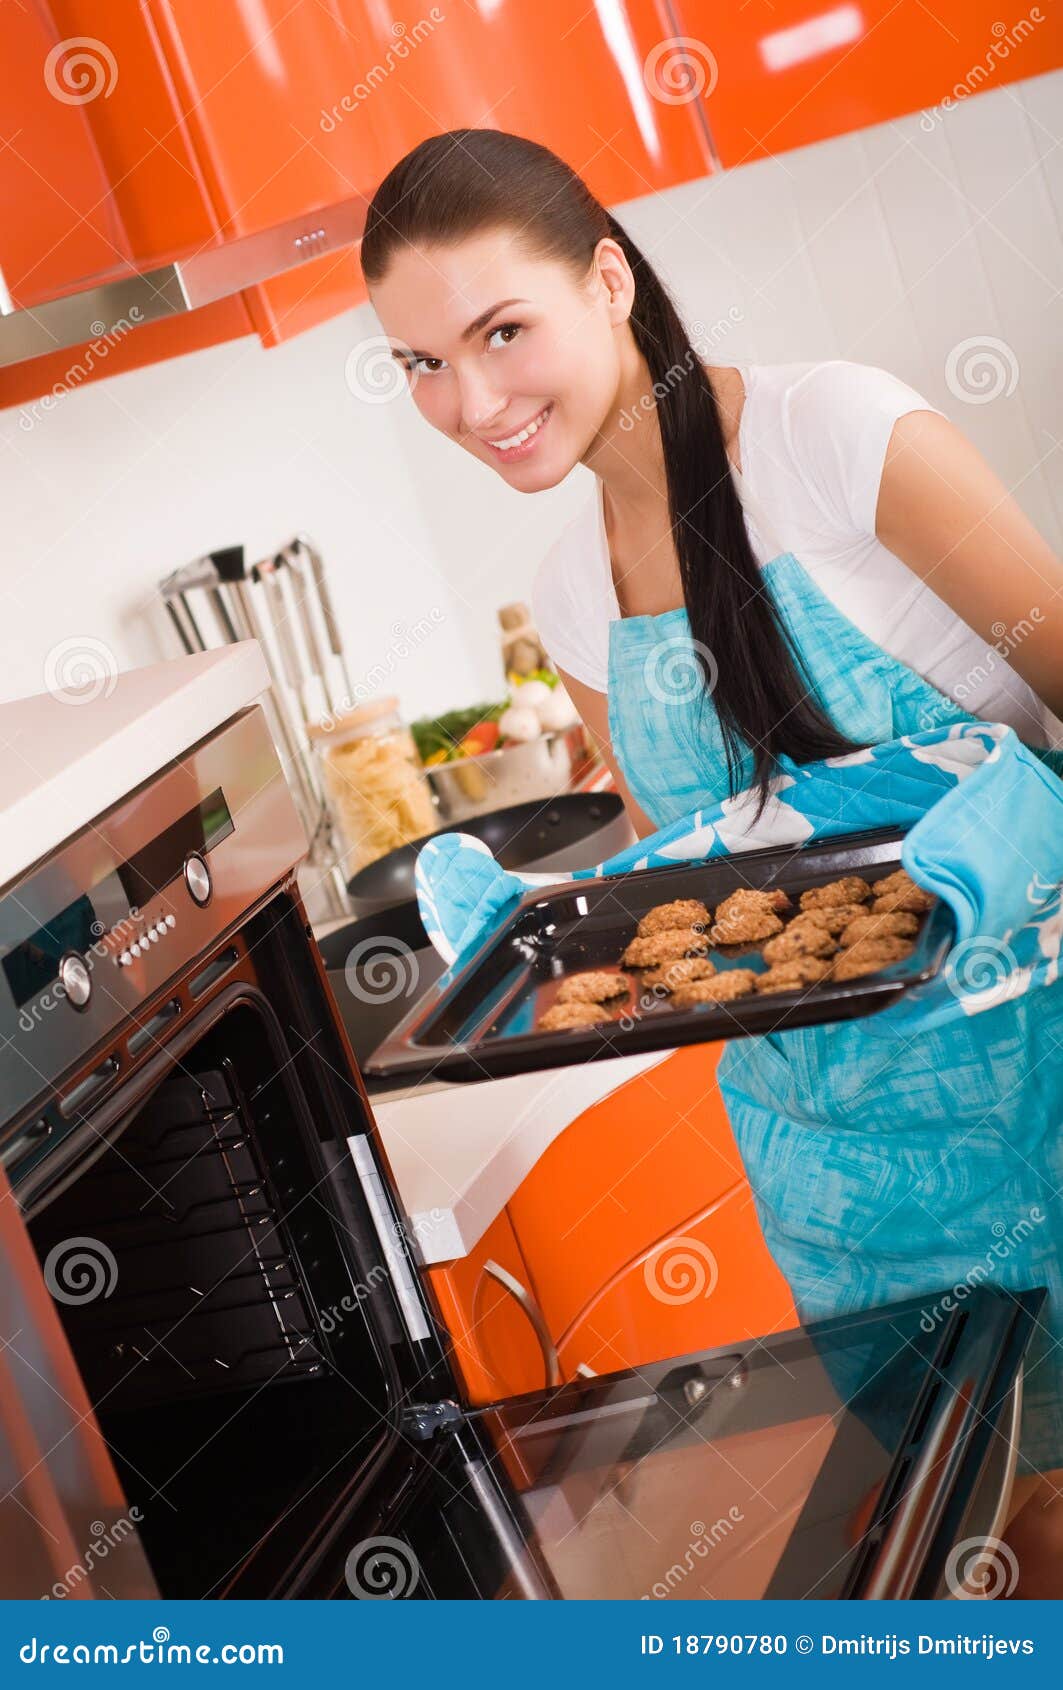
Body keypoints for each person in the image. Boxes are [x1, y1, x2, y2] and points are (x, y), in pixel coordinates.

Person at [361, 127, 1063, 1595]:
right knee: (969, 1559)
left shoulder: (836, 437)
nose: (470, 399)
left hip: (1042, 1101)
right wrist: (567, 944)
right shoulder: (568, 596)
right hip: (842, 1197)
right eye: (422, 363)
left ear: (608, 279)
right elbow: (717, 880)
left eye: (503, 331)